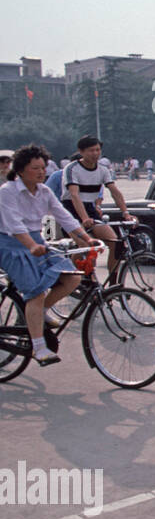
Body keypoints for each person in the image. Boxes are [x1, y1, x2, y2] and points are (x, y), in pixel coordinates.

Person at [0, 144, 94, 366]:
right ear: (21, 170)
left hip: (37, 243)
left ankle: (38, 312)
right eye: (35, 168)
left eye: (43, 167)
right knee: (36, 293)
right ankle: (39, 347)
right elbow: (14, 225)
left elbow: (64, 217)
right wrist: (31, 245)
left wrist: (86, 238)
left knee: (73, 277)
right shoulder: (7, 192)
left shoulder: (44, 191)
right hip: (10, 246)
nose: (42, 172)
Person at [63, 136, 135, 274]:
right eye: (91, 150)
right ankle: (77, 276)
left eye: (98, 150)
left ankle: (114, 284)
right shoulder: (72, 168)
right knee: (85, 246)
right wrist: (84, 218)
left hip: (89, 208)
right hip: (71, 210)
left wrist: (125, 213)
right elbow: (74, 195)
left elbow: (115, 192)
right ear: (81, 151)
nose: (95, 153)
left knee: (115, 242)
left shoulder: (103, 170)